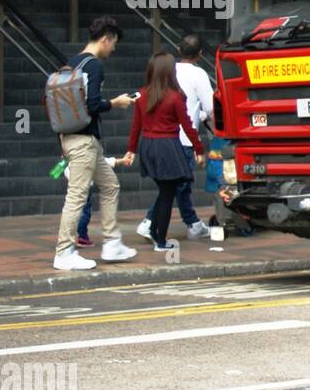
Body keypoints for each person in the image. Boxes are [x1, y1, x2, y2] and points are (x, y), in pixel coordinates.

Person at [52, 17, 139, 271]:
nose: (113, 49)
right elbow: (92, 104)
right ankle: (64, 251)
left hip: (74, 138)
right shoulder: (95, 66)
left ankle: (113, 243)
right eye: (113, 44)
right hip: (84, 142)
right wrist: (116, 102)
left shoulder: (71, 63)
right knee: (77, 196)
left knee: (110, 185)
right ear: (106, 38)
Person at [120, 52, 206, 253]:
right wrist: (199, 149)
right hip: (167, 146)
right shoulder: (175, 97)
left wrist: (131, 149)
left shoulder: (142, 94)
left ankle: (153, 228)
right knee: (168, 194)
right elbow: (188, 126)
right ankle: (160, 240)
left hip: (147, 146)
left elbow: (136, 126)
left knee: (164, 191)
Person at [135, 35, 213, 241]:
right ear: (201, 54)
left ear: (178, 49)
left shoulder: (166, 70)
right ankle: (153, 223)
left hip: (157, 138)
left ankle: (190, 223)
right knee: (176, 186)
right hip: (181, 139)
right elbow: (210, 108)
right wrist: (200, 141)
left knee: (173, 186)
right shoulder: (198, 74)